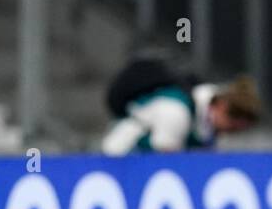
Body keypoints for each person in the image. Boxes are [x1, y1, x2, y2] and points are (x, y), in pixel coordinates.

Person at [100, 58, 261, 154]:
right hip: (120, 164)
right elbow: (165, 166)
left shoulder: (204, 128)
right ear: (220, 106)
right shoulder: (177, 112)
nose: (228, 133)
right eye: (232, 127)